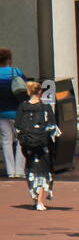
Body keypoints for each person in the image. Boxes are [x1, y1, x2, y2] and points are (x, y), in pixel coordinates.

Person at [15, 81, 57, 211]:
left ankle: (34, 197)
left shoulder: (22, 106)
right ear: (40, 92)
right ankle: (40, 201)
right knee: (44, 171)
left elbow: (17, 127)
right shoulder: (45, 107)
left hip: (28, 146)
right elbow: (52, 127)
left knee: (31, 169)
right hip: (43, 145)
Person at [0, 49, 27, 178]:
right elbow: (25, 88)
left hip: (1, 113)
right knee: (21, 139)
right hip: (17, 112)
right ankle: (19, 170)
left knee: (6, 140)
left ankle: (10, 171)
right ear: (9, 60)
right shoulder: (16, 72)